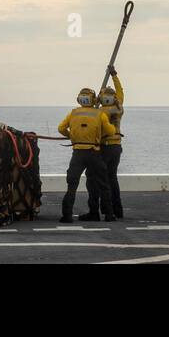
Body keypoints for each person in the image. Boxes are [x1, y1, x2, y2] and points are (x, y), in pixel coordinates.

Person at [57, 87, 116, 223]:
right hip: (93, 152)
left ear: (79, 99)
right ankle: (109, 215)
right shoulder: (99, 114)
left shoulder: (73, 113)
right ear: (94, 99)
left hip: (77, 153)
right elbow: (111, 131)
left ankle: (67, 215)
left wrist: (72, 136)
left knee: (72, 185)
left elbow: (61, 128)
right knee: (103, 184)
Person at [84, 68, 126, 219]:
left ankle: (100, 209)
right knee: (112, 177)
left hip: (104, 147)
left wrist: (94, 99)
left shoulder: (99, 112)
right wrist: (114, 76)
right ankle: (117, 209)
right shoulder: (119, 107)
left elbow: (90, 106)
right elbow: (120, 92)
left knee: (96, 177)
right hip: (116, 146)